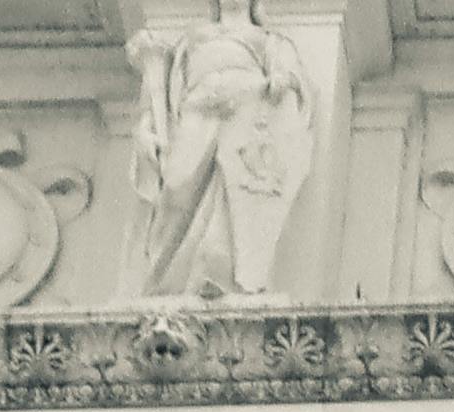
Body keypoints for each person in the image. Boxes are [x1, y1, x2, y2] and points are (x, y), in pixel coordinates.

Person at [133, 2, 324, 299]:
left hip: (243, 108)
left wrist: (280, 82)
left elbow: (291, 81)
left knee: (231, 195)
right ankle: (164, 280)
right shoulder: (195, 36)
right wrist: (146, 127)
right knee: (177, 185)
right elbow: (166, 90)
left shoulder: (267, 39)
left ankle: (215, 272)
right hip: (197, 107)